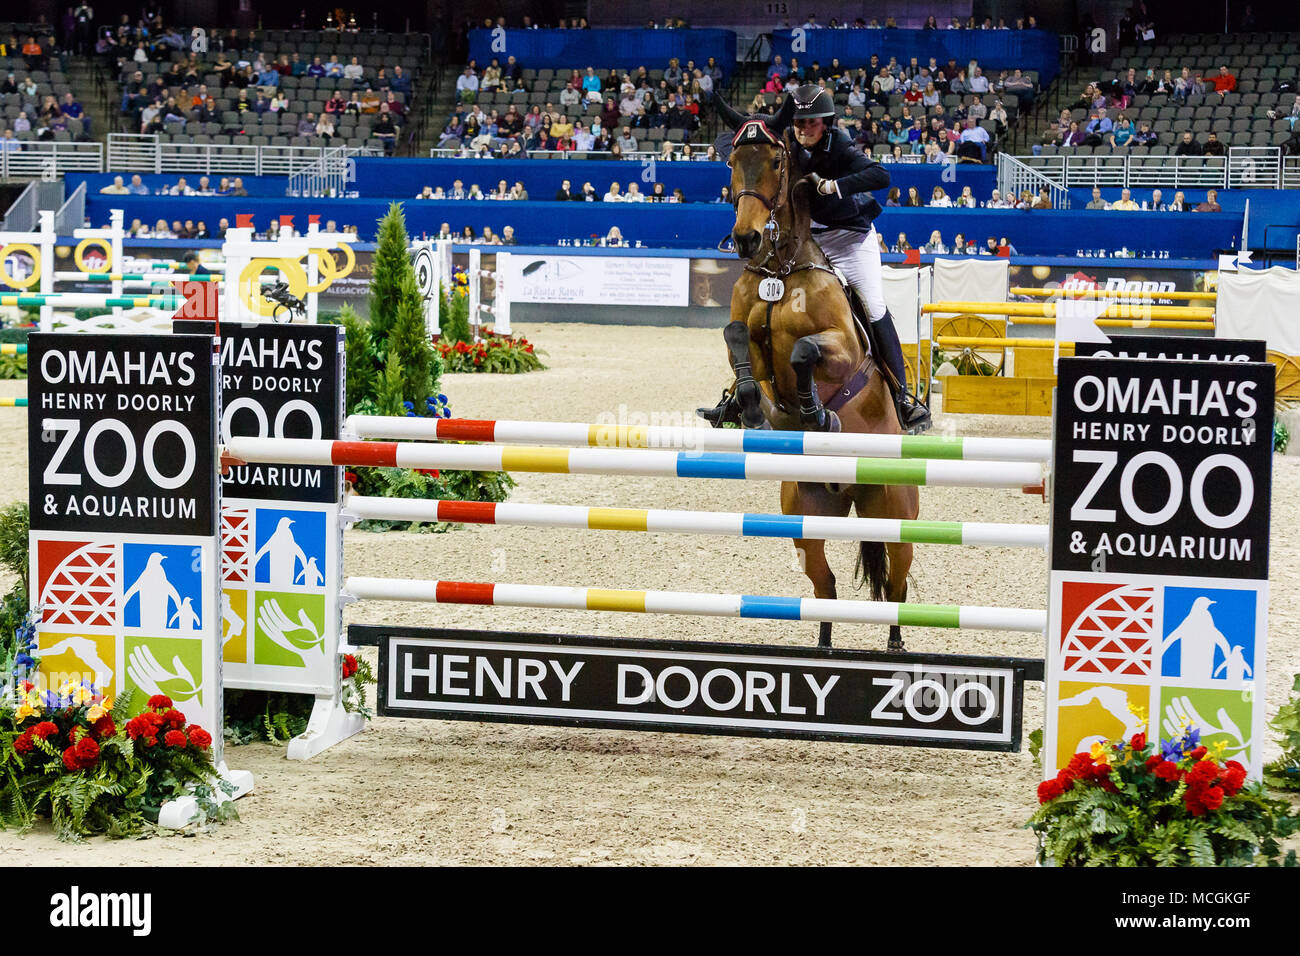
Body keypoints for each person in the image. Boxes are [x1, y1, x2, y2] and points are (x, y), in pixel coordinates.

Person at [783, 84, 927, 430]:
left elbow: (882, 175)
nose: (803, 129)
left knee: (873, 305)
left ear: (827, 122)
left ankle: (903, 396)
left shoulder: (842, 144)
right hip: (811, 242)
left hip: (851, 240)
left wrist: (836, 185)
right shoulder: (788, 142)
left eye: (811, 123)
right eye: (799, 123)